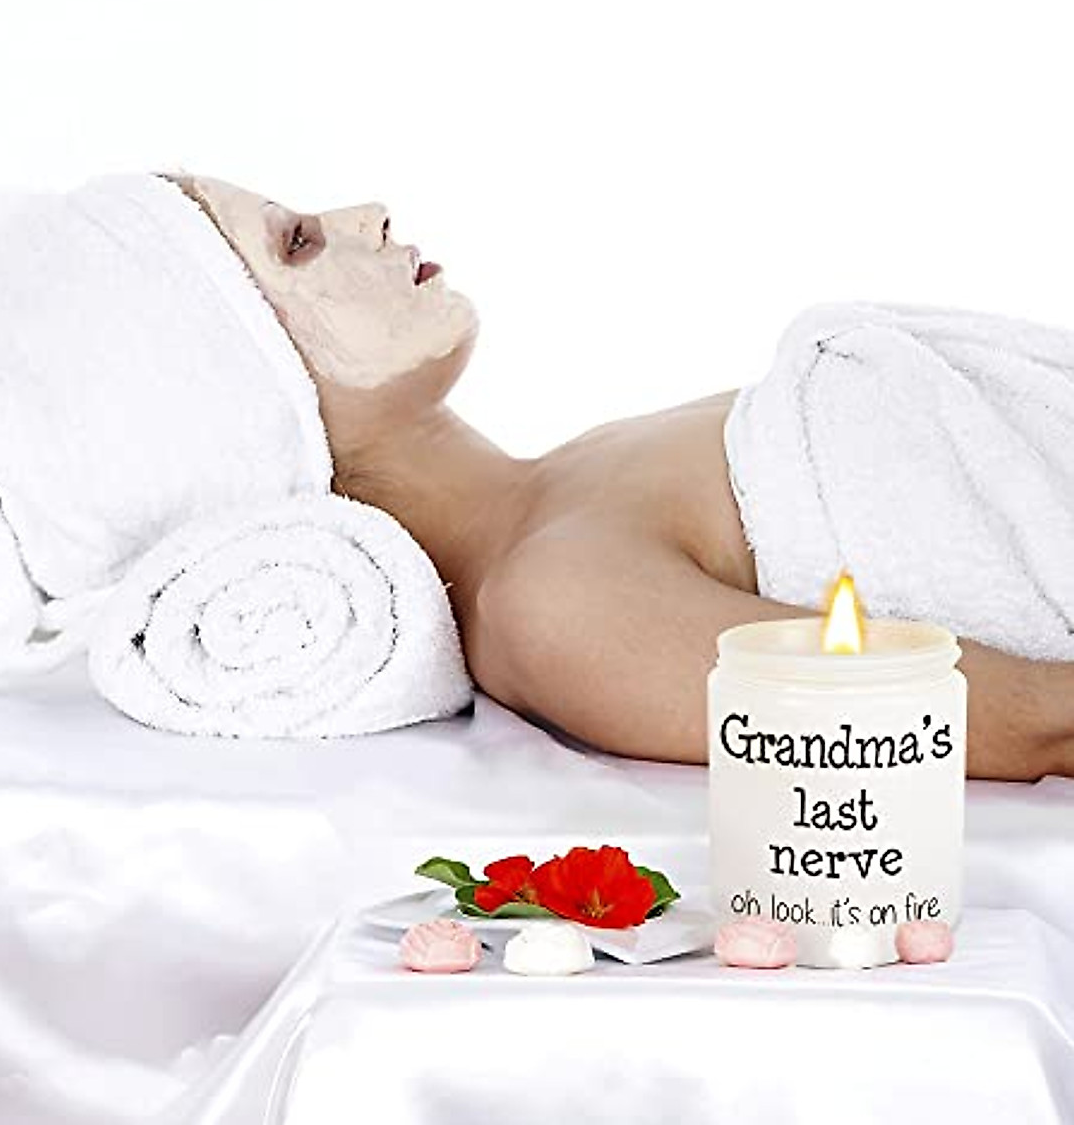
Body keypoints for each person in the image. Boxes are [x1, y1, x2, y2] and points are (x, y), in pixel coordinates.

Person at [163, 172, 1074, 782]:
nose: (367, 214)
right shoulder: (551, 607)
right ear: (252, 391)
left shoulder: (572, 479)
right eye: (298, 244)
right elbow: (1035, 720)